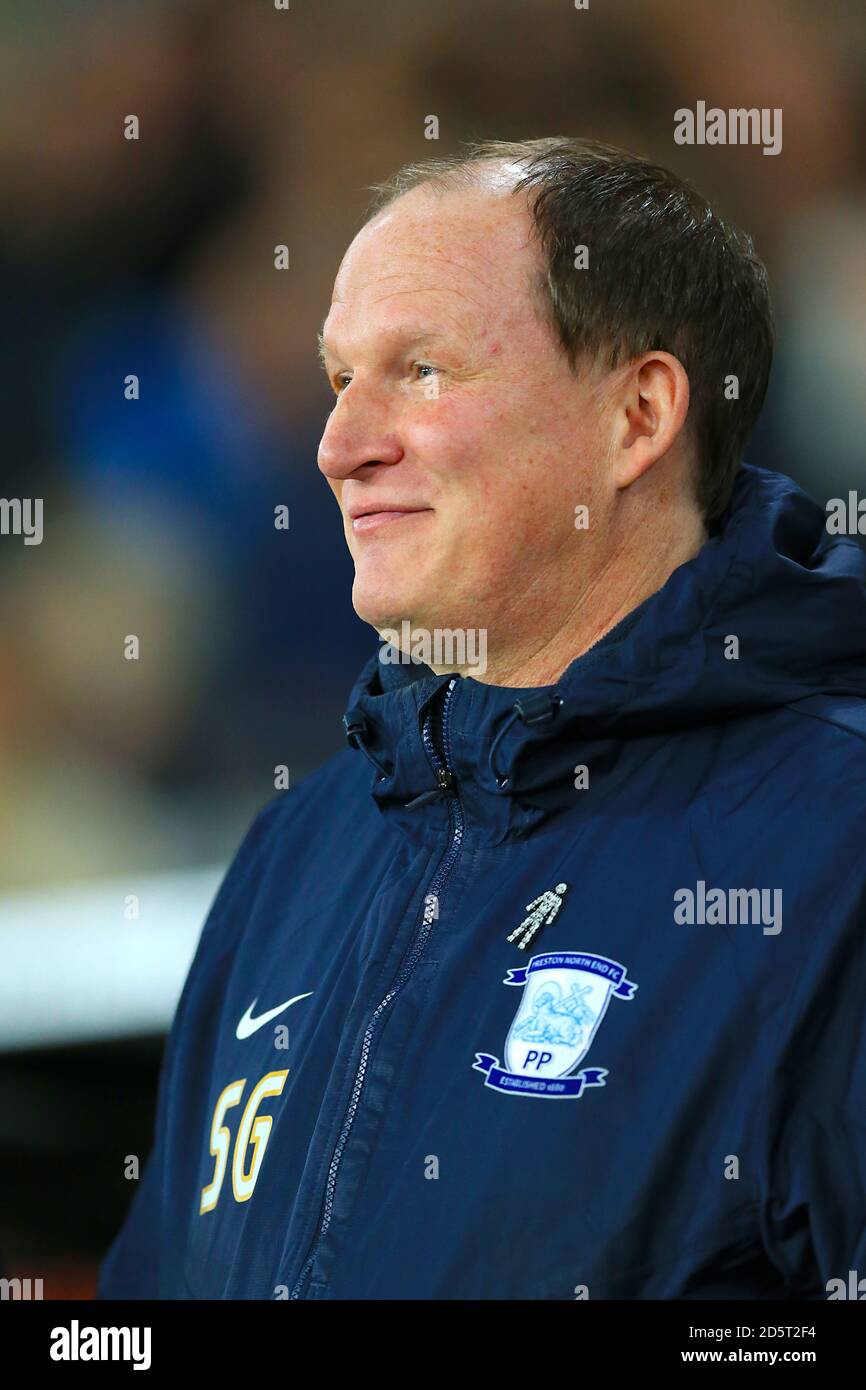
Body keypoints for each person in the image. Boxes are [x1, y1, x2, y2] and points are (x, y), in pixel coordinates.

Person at [98, 137, 866, 1300]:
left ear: (638, 414)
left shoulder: (834, 851)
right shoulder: (296, 848)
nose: (341, 445)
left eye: (422, 370)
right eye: (337, 377)